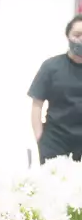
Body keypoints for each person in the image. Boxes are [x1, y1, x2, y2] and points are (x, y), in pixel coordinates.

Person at [29, 14, 82, 162]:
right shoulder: (51, 67)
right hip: (55, 143)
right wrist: (40, 139)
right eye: (77, 35)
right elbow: (37, 105)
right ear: (68, 36)